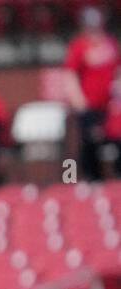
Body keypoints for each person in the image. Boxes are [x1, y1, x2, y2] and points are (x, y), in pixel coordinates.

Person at [64, 7, 120, 182]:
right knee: (90, 142)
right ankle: (91, 179)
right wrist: (78, 99)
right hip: (90, 105)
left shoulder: (110, 43)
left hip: (111, 106)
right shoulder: (79, 46)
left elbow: (118, 70)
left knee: (116, 140)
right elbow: (70, 74)